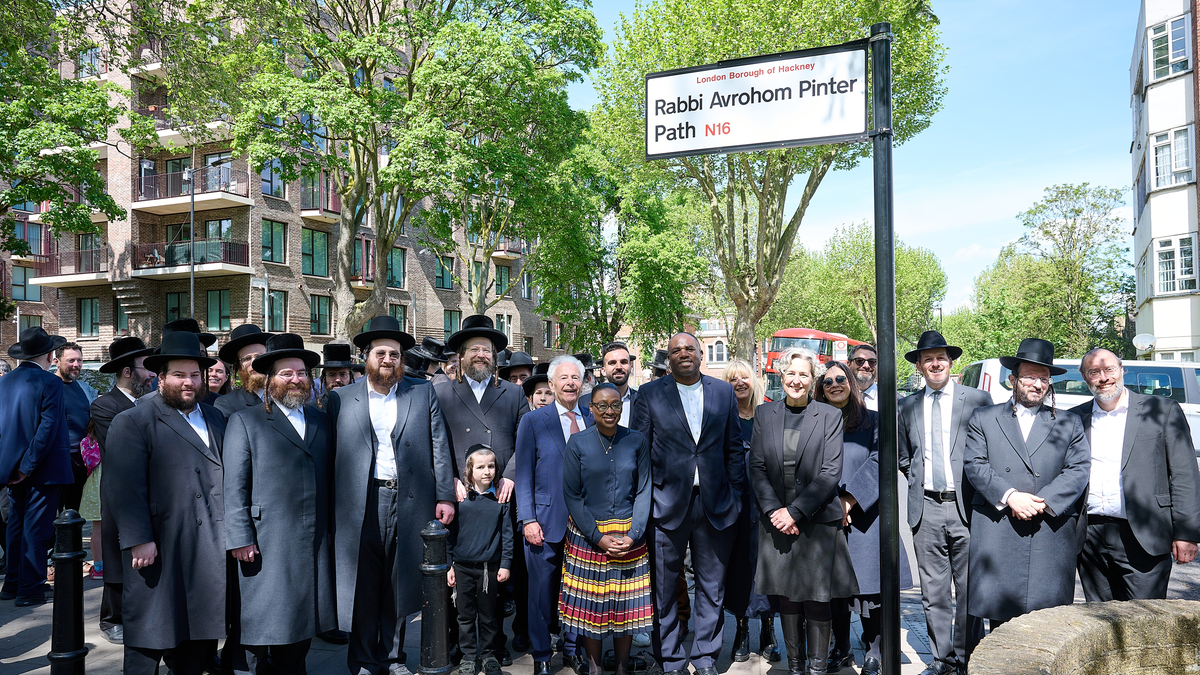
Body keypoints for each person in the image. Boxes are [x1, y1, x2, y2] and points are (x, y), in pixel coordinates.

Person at [325, 315, 456, 675]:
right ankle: (364, 660)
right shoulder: (339, 399)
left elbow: (439, 446)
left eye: (395, 354)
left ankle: (394, 658)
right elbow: (329, 454)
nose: (388, 360)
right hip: (360, 502)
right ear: (366, 356)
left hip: (411, 500)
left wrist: (445, 496)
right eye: (381, 353)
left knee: (399, 583)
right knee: (363, 584)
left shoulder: (421, 391)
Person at [105, 330, 229, 674]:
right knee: (150, 637)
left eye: (194, 375)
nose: (187, 382)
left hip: (206, 546)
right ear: (161, 377)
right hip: (158, 546)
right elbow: (123, 488)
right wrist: (138, 539)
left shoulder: (216, 416)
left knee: (196, 639)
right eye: (178, 375)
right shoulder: (133, 420)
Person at [630, 333, 746, 675]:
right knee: (664, 588)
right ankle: (670, 658)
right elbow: (639, 453)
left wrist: (736, 497)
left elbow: (734, 448)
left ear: (700, 355)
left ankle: (706, 658)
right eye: (676, 350)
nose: (684, 354)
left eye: (689, 349)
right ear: (668, 358)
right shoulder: (650, 394)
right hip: (665, 506)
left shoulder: (723, 392)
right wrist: (645, 502)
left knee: (713, 586)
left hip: (716, 505)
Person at [224, 333, 337, 674]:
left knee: (302, 618)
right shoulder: (246, 421)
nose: (295, 379)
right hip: (265, 539)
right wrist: (240, 536)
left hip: (312, 538)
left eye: (301, 373)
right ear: (270, 378)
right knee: (261, 621)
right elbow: (234, 486)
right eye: (286, 373)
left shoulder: (320, 419)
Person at [964, 338, 1090, 628]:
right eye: (1030, 377)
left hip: (1048, 529)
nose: (1037, 384)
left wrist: (1042, 502)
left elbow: (1078, 468)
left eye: (1043, 378)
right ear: (1012, 380)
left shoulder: (1068, 422)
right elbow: (975, 463)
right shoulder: (984, 418)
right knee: (1001, 624)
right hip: (999, 529)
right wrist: (1010, 496)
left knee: (1047, 624)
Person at [748, 347, 856, 675]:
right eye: (791, 373)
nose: (796, 380)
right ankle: (795, 668)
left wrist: (794, 512)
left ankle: (817, 669)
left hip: (816, 523)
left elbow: (830, 473)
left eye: (804, 374)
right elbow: (757, 467)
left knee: (817, 598)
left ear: (813, 380)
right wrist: (775, 511)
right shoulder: (765, 415)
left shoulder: (829, 417)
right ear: (781, 376)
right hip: (775, 523)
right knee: (788, 598)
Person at [1070, 348, 1200, 601]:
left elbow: (1184, 474)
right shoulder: (1074, 418)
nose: (1104, 377)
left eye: (1109, 369)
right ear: (1085, 378)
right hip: (1090, 536)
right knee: (1099, 620)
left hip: (1144, 532)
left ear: (1122, 370)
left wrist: (1186, 533)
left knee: (1145, 620)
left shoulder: (1162, 411)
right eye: (1094, 372)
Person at [435, 315, 529, 665]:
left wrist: (510, 475)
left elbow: (524, 441)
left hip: (499, 496)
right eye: (473, 349)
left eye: (486, 350)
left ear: (495, 357)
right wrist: (450, 480)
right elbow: (435, 442)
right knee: (457, 579)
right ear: (459, 356)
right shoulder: (440, 389)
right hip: (459, 497)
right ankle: (458, 645)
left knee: (497, 578)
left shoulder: (514, 393)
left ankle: (494, 646)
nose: (480, 354)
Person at [897, 330, 991, 675]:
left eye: (941, 358)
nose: (935, 364)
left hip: (967, 508)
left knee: (969, 589)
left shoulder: (978, 400)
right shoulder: (906, 406)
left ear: (951, 363)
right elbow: (905, 458)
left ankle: (967, 658)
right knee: (933, 590)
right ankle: (942, 659)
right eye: (928, 359)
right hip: (926, 509)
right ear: (919, 367)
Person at [815, 361, 912, 675]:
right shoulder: (814, 422)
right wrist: (827, 503)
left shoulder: (873, 420)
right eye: (827, 381)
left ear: (851, 383)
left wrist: (849, 498)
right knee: (832, 591)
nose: (834, 384)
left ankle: (873, 652)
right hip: (824, 516)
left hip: (865, 518)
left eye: (840, 379)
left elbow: (880, 460)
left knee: (870, 591)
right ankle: (840, 649)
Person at [560, 384, 652, 675]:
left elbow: (644, 490)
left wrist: (634, 534)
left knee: (626, 609)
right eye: (602, 405)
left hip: (628, 534)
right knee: (592, 611)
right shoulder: (577, 443)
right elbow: (572, 495)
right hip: (589, 536)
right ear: (591, 408)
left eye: (615, 405)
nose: (609, 411)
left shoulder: (636, 440)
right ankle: (595, 668)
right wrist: (598, 537)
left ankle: (623, 669)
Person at [515, 355, 592, 675]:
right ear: (551, 384)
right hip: (544, 523)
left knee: (579, 591)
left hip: (588, 525)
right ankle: (542, 656)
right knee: (540, 594)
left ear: (584, 383)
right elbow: (523, 475)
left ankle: (573, 649)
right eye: (564, 378)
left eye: (576, 377)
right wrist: (528, 519)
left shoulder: (594, 416)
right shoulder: (533, 421)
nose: (571, 383)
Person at [90, 336, 155, 645]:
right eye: (146, 367)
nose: (153, 373)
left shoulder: (155, 399)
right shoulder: (105, 405)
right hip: (119, 490)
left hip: (153, 489)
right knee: (117, 556)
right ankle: (111, 617)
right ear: (128, 372)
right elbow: (122, 449)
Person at [0, 326, 72, 607]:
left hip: (14, 468)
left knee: (16, 525)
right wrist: (27, 466)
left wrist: (12, 467)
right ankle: (30, 588)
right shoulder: (50, 382)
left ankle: (14, 584)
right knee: (36, 529)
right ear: (50, 354)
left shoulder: (4, 382)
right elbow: (48, 427)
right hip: (41, 469)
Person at [720, 359, 779, 663]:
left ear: (754, 381)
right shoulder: (723, 417)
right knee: (740, 566)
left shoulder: (769, 413)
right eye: (732, 379)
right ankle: (741, 629)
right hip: (735, 505)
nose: (739, 383)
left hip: (767, 504)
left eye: (744, 377)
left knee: (768, 565)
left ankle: (769, 629)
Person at [447, 445, 514, 675]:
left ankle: (488, 655)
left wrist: (505, 564)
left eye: (491, 466)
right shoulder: (460, 501)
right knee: (464, 617)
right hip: (463, 568)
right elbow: (450, 536)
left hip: (489, 569)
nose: (487, 471)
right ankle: (467, 656)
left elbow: (507, 537)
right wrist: (450, 565)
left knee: (488, 616)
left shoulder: (500, 502)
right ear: (469, 471)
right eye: (481, 467)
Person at [53, 342, 95, 513]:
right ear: (56, 361)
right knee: (52, 512)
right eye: (71, 360)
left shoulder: (84, 388)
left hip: (82, 459)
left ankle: (73, 541)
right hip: (57, 459)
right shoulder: (49, 386)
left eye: (79, 360)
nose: (76, 365)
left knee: (75, 512)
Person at [215, 324, 274, 419]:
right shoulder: (228, 404)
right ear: (239, 366)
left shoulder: (285, 395)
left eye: (259, 356)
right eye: (247, 359)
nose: (254, 362)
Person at [581, 343, 639, 427]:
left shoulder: (642, 400)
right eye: (612, 363)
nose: (618, 367)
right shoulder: (584, 402)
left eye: (623, 362)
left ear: (631, 367)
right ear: (603, 370)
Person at [79, 420, 103, 580]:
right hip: (113, 485)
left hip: (94, 488)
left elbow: (87, 463)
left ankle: (99, 566)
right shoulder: (115, 438)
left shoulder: (86, 442)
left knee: (98, 529)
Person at [848, 345, 879, 411]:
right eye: (859, 361)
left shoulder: (894, 401)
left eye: (872, 362)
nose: (866, 366)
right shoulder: (837, 396)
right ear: (849, 364)